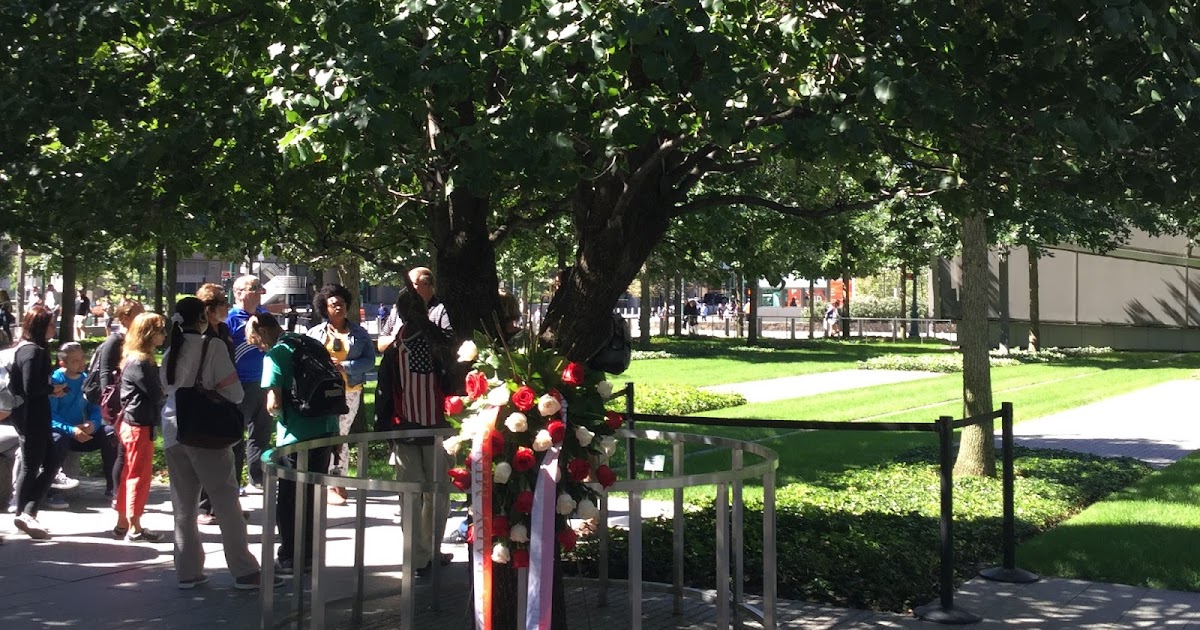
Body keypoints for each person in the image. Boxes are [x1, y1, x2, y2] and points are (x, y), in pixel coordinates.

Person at [161, 297, 277, 589]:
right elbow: (235, 392)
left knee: (183, 506)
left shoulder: (170, 351)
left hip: (174, 430)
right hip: (206, 432)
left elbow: (167, 388)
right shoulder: (211, 346)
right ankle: (244, 570)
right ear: (204, 317)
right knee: (226, 502)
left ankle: (187, 571)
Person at [248, 312, 338, 576]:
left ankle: (290, 557)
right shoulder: (309, 342)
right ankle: (310, 555)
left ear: (262, 330)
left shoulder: (276, 354)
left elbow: (274, 404)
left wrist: (276, 415)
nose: (257, 345)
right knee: (312, 494)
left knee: (289, 499)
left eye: (255, 339)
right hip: (326, 427)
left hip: (296, 436)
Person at [386, 285, 453, 577]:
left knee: (412, 493)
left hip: (406, 427)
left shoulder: (395, 346)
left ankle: (418, 555)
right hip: (435, 426)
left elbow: (387, 392)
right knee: (436, 493)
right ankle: (429, 551)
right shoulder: (440, 341)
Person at [306, 283, 374, 505]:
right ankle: (325, 482)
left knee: (340, 435)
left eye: (342, 304)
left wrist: (345, 366)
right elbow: (305, 360)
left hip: (349, 391)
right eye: (334, 304)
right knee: (325, 435)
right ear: (325, 308)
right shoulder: (314, 333)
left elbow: (369, 361)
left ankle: (339, 480)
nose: (339, 308)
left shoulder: (359, 334)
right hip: (321, 393)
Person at [8, 305, 65, 539]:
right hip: (33, 416)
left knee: (50, 462)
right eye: (51, 324)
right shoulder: (33, 352)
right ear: (42, 326)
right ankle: (24, 512)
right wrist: (53, 389)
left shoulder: (25, 349)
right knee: (33, 466)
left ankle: (27, 512)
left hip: (32, 415)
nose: (54, 328)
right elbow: (31, 387)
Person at [113, 311, 167, 542]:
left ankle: (123, 522)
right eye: (160, 330)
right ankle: (135, 526)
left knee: (129, 473)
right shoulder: (141, 362)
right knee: (139, 476)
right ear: (148, 334)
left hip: (133, 424)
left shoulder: (133, 358)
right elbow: (157, 394)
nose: (164, 335)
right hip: (138, 426)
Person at [48, 342, 117, 508]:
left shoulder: (86, 379)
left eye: (82, 359)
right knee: (58, 440)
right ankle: (54, 493)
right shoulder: (55, 381)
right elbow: (51, 415)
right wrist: (71, 430)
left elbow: (95, 407)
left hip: (83, 431)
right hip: (63, 432)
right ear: (62, 363)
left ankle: (113, 487)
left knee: (110, 434)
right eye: (75, 361)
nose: (81, 363)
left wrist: (92, 424)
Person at [193, 283, 241, 525]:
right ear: (210, 309)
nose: (227, 306)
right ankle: (204, 506)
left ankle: (227, 505)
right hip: (205, 401)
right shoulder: (198, 334)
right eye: (223, 302)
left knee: (229, 452)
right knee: (206, 452)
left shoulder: (223, 329)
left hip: (227, 397)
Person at [94, 299, 143, 508]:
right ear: (124, 317)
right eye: (137, 314)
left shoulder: (136, 340)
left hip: (129, 401)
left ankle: (120, 492)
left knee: (124, 450)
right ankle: (115, 492)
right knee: (119, 449)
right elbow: (105, 373)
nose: (141, 318)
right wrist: (110, 403)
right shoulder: (114, 341)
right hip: (116, 404)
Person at [227, 275, 272, 494]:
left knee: (261, 433)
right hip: (239, 385)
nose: (258, 292)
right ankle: (233, 482)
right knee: (235, 436)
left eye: (259, 288)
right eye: (253, 288)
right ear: (238, 293)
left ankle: (258, 478)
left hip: (264, 382)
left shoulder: (265, 316)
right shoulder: (231, 319)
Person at [376, 266, 452, 353]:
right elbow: (381, 345)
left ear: (426, 284)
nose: (407, 289)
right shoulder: (398, 310)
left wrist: (399, 339)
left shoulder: (441, 310)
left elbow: (447, 344)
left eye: (412, 284)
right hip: (398, 364)